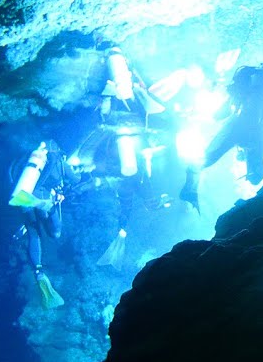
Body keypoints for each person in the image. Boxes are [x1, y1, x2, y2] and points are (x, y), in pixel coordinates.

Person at [179, 62, 263, 209]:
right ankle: (189, 191)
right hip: (253, 130)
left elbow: (221, 114)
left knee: (207, 158)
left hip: (236, 126)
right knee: (255, 174)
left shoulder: (244, 92)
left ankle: (189, 190)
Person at [9, 140, 87, 307]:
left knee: (33, 233)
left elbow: (12, 174)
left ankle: (38, 272)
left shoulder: (31, 160)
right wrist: (79, 170)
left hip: (23, 195)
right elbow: (76, 179)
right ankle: (48, 208)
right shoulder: (59, 161)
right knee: (55, 233)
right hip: (42, 199)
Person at [95, 40, 164, 124]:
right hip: (125, 91)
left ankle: (113, 51)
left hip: (121, 93)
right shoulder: (140, 102)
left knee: (122, 87)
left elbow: (105, 113)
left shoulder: (127, 96)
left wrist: (107, 96)